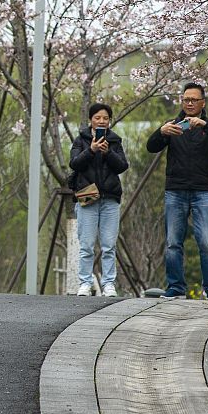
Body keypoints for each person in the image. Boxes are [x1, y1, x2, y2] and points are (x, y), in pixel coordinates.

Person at [146, 82, 208, 300]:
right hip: (175, 190)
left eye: (194, 100)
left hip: (204, 192)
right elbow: (151, 147)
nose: (190, 103)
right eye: (186, 99)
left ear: (203, 102)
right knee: (173, 242)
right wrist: (160, 132)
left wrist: (205, 125)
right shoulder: (172, 126)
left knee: (207, 242)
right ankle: (175, 287)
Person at [68, 102, 129, 297]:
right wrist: (92, 150)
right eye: (97, 118)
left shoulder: (114, 141)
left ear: (109, 121)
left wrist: (108, 152)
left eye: (105, 118)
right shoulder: (81, 140)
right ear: (91, 120)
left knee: (109, 245)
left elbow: (122, 166)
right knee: (86, 245)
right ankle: (85, 283)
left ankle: (108, 283)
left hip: (110, 198)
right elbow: (74, 163)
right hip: (88, 196)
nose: (101, 121)